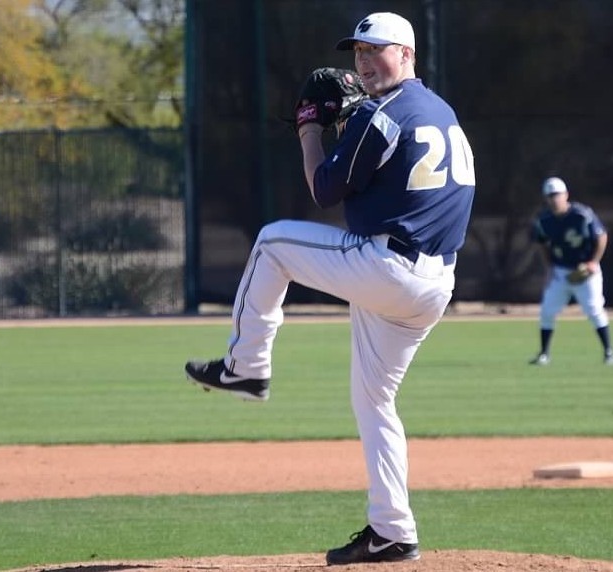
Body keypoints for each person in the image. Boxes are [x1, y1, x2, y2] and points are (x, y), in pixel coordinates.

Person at [183, 11, 474, 566]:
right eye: (358, 52)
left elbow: (322, 189)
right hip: (436, 281)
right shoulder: (441, 111)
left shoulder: (381, 116)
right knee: (374, 400)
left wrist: (309, 127)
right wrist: (355, 116)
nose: (363, 62)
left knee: (271, 244)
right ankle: (393, 530)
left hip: (390, 266)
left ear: (407, 54)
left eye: (377, 51)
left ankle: (246, 366)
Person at [529, 176, 613, 366]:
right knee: (547, 312)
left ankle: (609, 352)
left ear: (566, 195)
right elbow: (541, 244)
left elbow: (601, 236)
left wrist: (594, 262)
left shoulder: (581, 215)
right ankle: (544, 354)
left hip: (586, 271)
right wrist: (549, 267)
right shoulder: (544, 220)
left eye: (557, 194)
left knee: (594, 309)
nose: (554, 199)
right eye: (550, 195)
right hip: (561, 271)